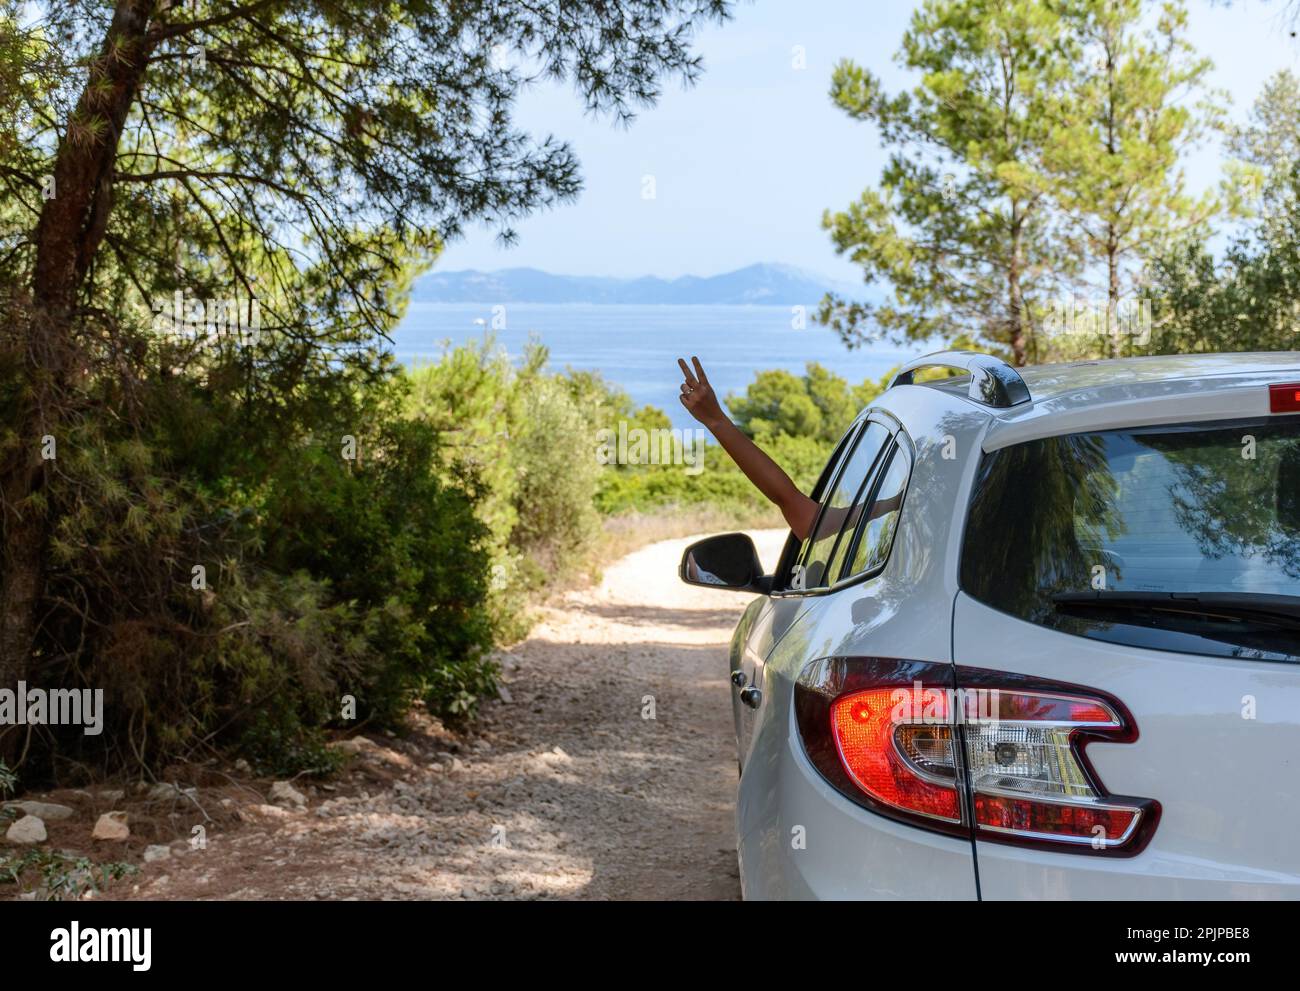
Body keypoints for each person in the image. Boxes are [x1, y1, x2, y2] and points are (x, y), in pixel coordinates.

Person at [676, 356, 819, 540]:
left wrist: (716, 420)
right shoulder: (864, 515)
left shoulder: (859, 517)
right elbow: (790, 501)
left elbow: (790, 501)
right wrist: (715, 420)